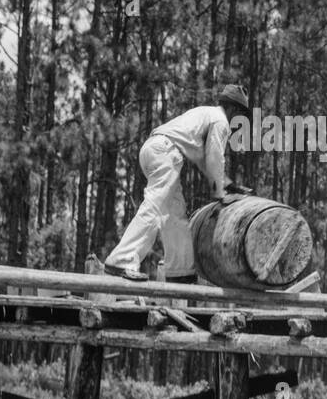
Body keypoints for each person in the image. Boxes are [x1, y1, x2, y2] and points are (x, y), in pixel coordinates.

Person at [102, 85, 252, 282]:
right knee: (154, 207)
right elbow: (215, 157)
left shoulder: (206, 113)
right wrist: (220, 194)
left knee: (174, 213)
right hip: (165, 152)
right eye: (240, 115)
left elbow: (204, 159)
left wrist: (227, 184)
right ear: (234, 109)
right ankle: (121, 260)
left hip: (155, 149)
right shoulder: (221, 121)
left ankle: (180, 272)